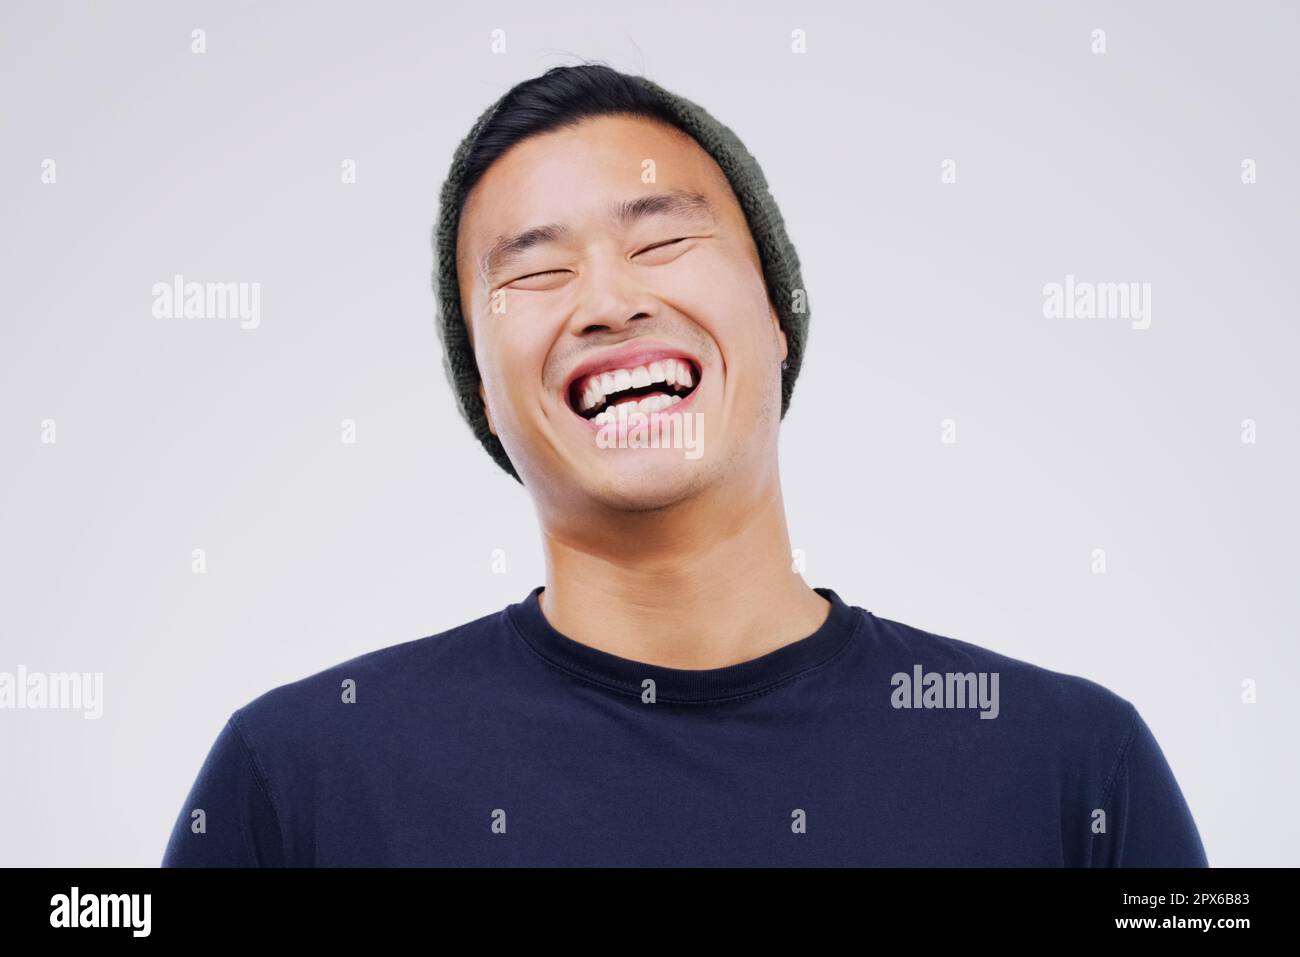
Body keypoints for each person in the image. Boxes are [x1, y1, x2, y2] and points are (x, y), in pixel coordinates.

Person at [162, 63, 1208, 867]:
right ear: (484, 391)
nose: (608, 300)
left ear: (777, 316)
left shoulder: (1075, 767)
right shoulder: (296, 780)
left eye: (660, 242)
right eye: (535, 269)